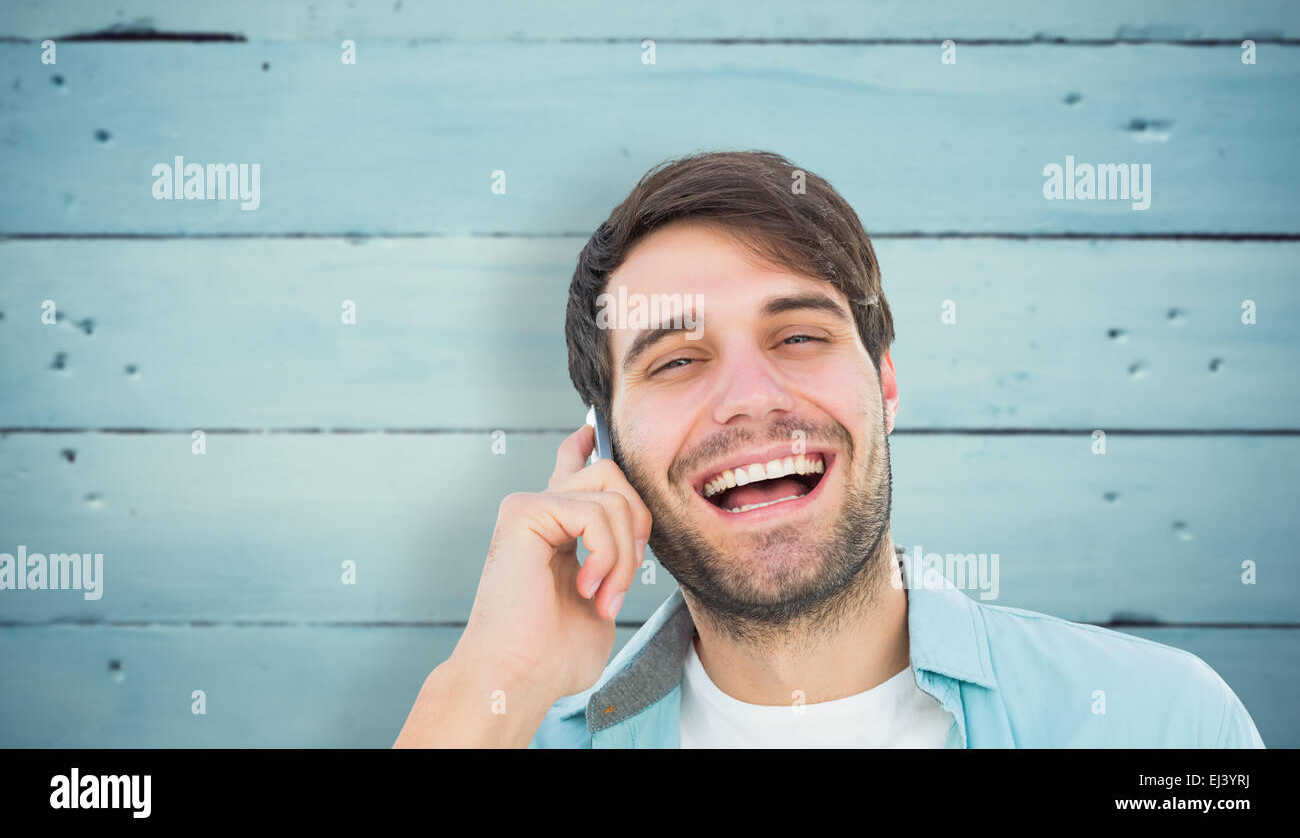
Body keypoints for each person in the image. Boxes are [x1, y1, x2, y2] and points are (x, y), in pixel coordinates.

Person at [394, 150, 1264, 748]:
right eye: (678, 360)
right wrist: (491, 683)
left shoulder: (1159, 724)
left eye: (800, 337)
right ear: (606, 449)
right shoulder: (505, 738)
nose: (750, 398)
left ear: (884, 385)